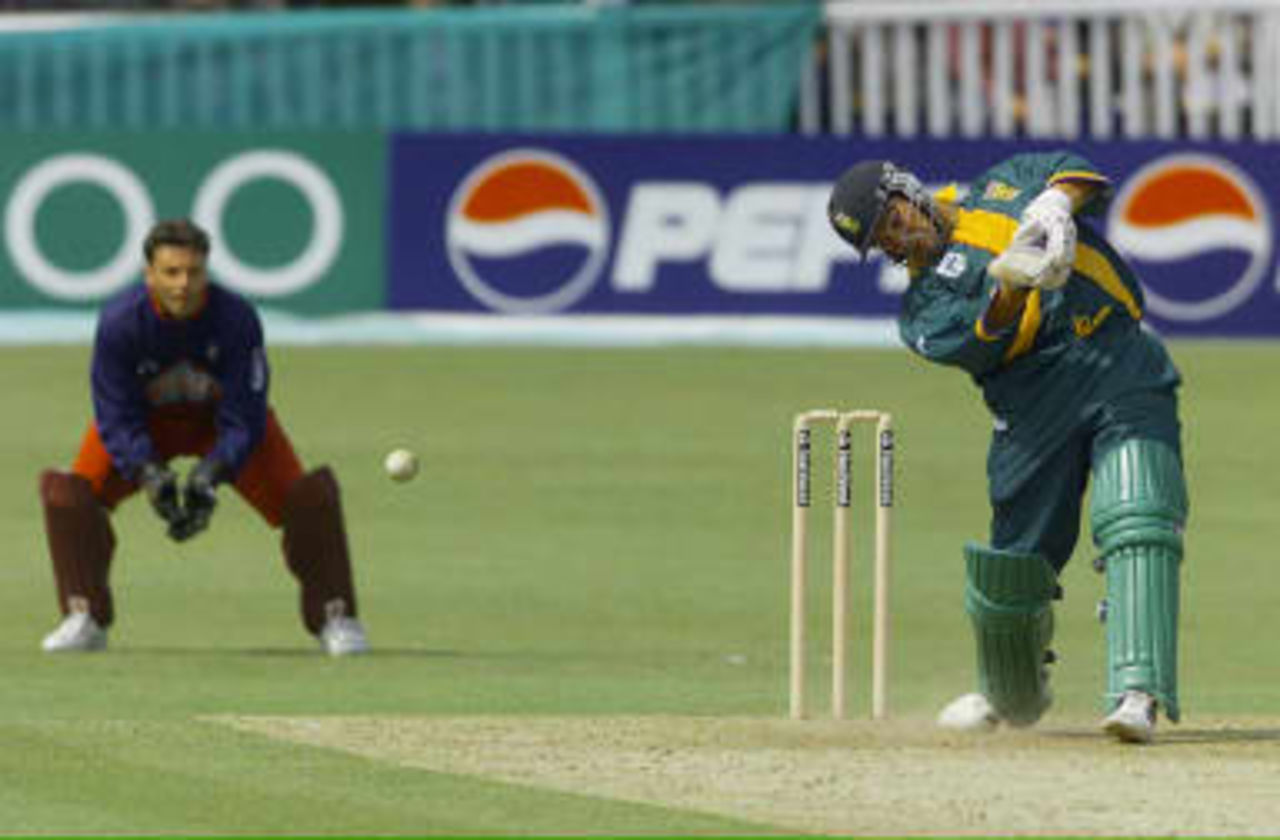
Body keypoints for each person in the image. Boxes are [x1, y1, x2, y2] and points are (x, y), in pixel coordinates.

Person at [826, 152, 1188, 744]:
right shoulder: (922, 313)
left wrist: (1053, 203)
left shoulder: (1003, 184)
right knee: (1014, 570)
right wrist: (1011, 284)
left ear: (907, 191)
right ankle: (1010, 693)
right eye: (884, 242)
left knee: (1139, 509)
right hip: (1031, 407)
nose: (899, 240)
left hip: (1116, 361)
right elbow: (988, 340)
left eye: (892, 220)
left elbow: (1075, 172)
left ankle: (1137, 694)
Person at [38, 218, 368, 657]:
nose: (183, 285)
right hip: (147, 425)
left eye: (193, 272)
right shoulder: (120, 323)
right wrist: (148, 472)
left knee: (309, 497)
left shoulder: (236, 319)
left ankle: (335, 615)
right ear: (149, 275)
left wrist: (213, 471)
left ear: (206, 272)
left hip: (221, 424)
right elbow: (114, 416)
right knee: (68, 496)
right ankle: (83, 616)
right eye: (171, 273)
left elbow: (246, 413)